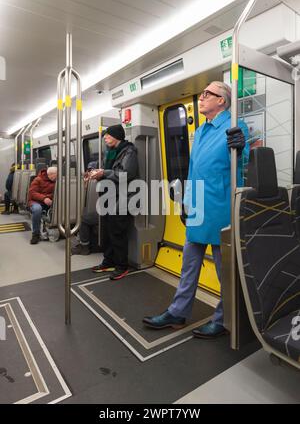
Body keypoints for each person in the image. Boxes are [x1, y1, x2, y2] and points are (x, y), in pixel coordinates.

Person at [143, 81, 249, 339]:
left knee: (225, 270)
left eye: (206, 94)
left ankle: (224, 319)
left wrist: (242, 146)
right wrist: (188, 199)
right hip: (199, 206)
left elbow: (242, 161)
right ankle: (177, 312)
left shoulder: (234, 125)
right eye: (201, 94)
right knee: (189, 264)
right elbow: (194, 169)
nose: (201, 98)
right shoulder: (201, 131)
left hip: (221, 206)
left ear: (221, 100)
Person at [90, 124, 138, 280]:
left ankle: (122, 266)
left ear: (117, 136)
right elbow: (108, 171)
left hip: (123, 198)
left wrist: (104, 173)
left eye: (108, 135)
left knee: (117, 233)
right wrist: (98, 173)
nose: (105, 137)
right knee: (108, 231)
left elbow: (125, 174)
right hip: (109, 196)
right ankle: (108, 261)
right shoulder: (110, 153)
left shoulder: (129, 151)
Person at [71, 161, 100, 255]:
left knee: (83, 219)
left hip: (105, 211)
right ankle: (81, 240)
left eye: (92, 170)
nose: (90, 172)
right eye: (89, 170)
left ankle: (84, 247)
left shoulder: (98, 181)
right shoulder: (88, 181)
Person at [27, 167, 57, 245]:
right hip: (36, 201)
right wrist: (44, 198)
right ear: (50, 174)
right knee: (37, 209)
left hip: (50, 201)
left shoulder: (57, 181)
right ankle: (35, 234)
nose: (57, 176)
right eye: (56, 175)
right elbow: (32, 193)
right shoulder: (38, 180)